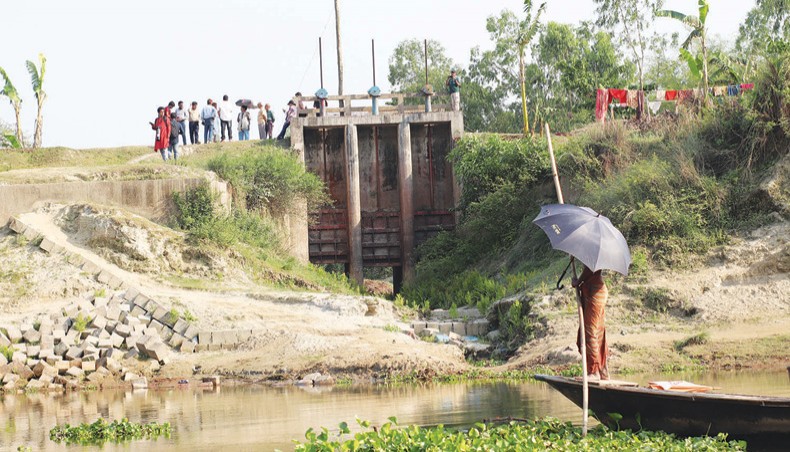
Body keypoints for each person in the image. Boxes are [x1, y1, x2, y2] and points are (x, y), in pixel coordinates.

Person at [572, 261, 609, 380]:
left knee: (590, 332)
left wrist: (578, 282)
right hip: (596, 290)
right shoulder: (592, 250)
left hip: (595, 292)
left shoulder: (593, 254)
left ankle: (594, 371)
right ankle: (603, 371)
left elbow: (590, 269)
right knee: (598, 332)